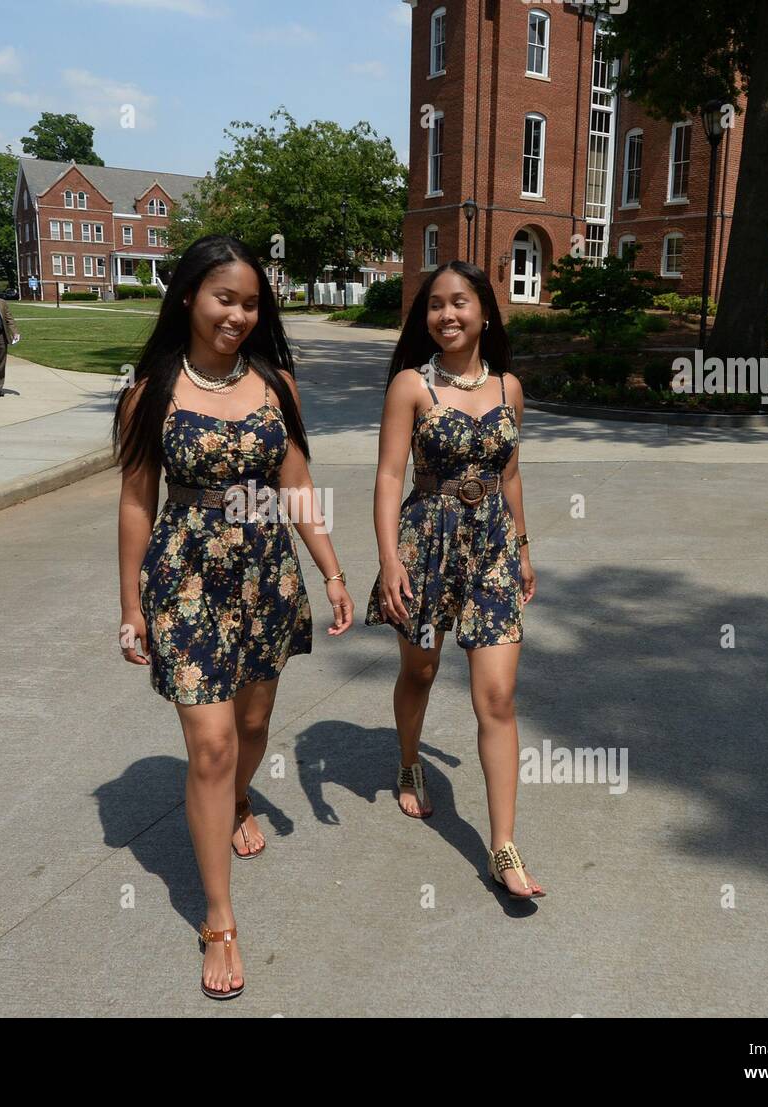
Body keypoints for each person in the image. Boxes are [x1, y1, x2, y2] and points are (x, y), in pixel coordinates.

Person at [113, 234, 353, 1000]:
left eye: (252, 302)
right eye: (226, 298)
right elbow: (135, 503)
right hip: (183, 574)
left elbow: (297, 484)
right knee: (211, 743)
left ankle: (241, 795)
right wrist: (129, 607)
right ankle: (219, 917)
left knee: (250, 730)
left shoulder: (276, 383)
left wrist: (334, 569)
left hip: (263, 575)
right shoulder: (151, 390)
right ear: (189, 296)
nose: (239, 315)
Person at [364, 260, 544, 898]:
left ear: (485, 313)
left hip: (492, 547)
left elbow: (512, 475)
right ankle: (409, 763)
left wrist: (523, 546)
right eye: (436, 304)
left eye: (460, 302)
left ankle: (502, 845)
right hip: (426, 544)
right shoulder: (411, 386)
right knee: (420, 670)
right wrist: (389, 560)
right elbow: (389, 476)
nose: (447, 314)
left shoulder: (509, 389)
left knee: (496, 697)